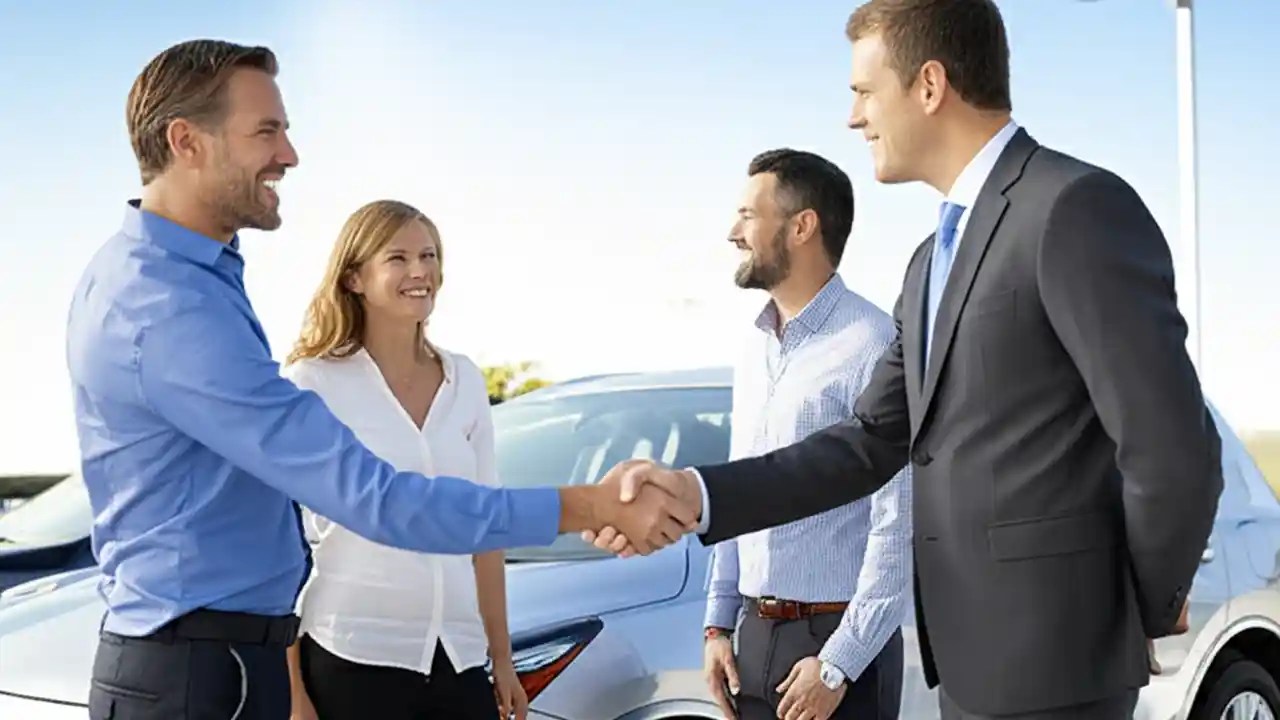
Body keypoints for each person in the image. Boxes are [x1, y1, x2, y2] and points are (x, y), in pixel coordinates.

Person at [585, 1, 1223, 718]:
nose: (854, 118)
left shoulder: (1072, 208)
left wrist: (1125, 610)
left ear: (928, 85)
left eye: (863, 91)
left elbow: (1172, 449)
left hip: (1063, 667)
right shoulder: (928, 263)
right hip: (968, 667)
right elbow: (868, 442)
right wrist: (696, 495)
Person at [66, 39, 689, 720]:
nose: (289, 154)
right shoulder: (168, 307)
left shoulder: (181, 277)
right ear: (186, 141)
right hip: (201, 674)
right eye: (266, 131)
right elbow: (381, 502)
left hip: (216, 663)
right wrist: (591, 506)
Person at [279, 200, 527, 720]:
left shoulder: (465, 380)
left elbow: (486, 531)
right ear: (354, 279)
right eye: (398, 258)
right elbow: (275, 541)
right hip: (350, 657)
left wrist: (500, 658)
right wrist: (294, 694)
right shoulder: (314, 382)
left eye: (429, 255)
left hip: (458, 661)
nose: (421, 272)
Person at [702, 149, 911, 720]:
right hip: (754, 636)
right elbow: (741, 488)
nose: (733, 233)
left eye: (748, 215)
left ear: (802, 226)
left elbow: (899, 522)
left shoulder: (876, 345)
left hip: (837, 648)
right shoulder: (755, 347)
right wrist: (719, 623)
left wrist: (839, 661)